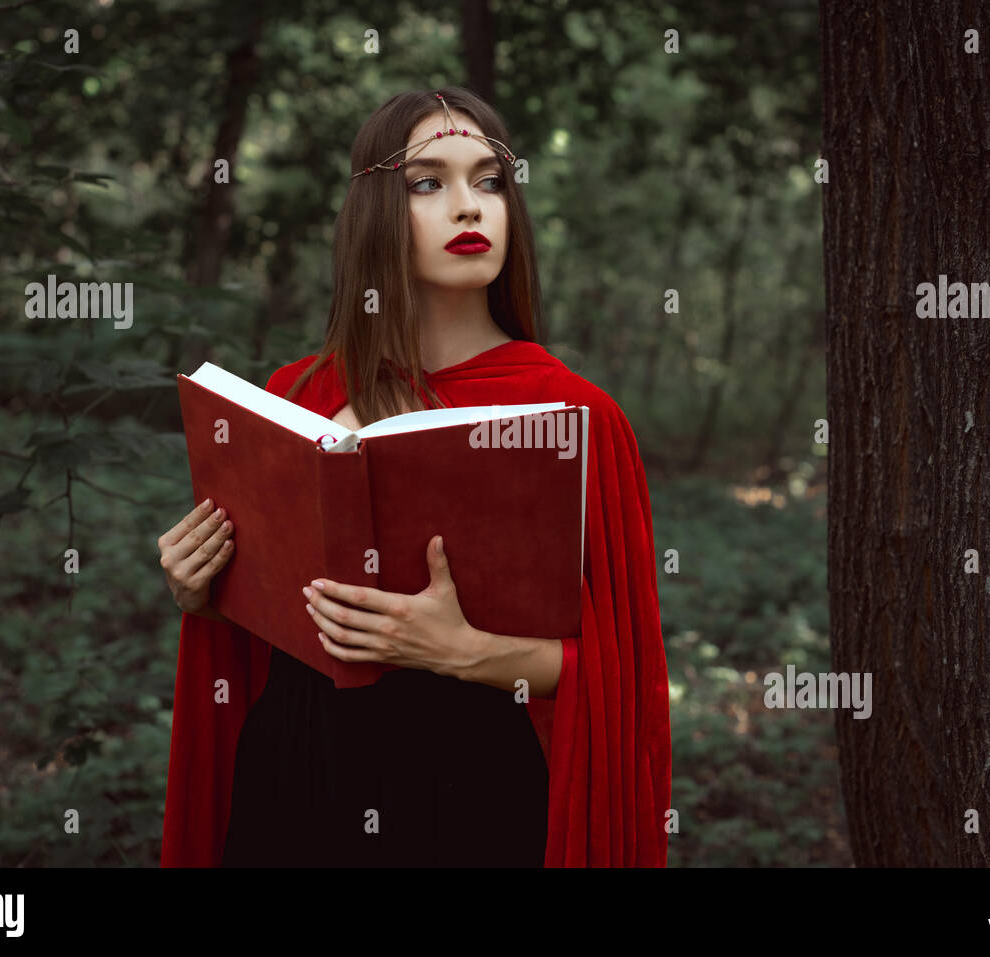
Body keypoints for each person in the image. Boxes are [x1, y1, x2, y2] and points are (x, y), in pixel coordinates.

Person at [158, 87, 671, 867]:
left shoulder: (574, 415)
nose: (469, 208)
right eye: (428, 182)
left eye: (489, 180)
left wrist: (462, 651)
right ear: (375, 213)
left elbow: (619, 674)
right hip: (293, 770)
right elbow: (263, 619)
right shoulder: (296, 394)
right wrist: (203, 589)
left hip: (466, 783)